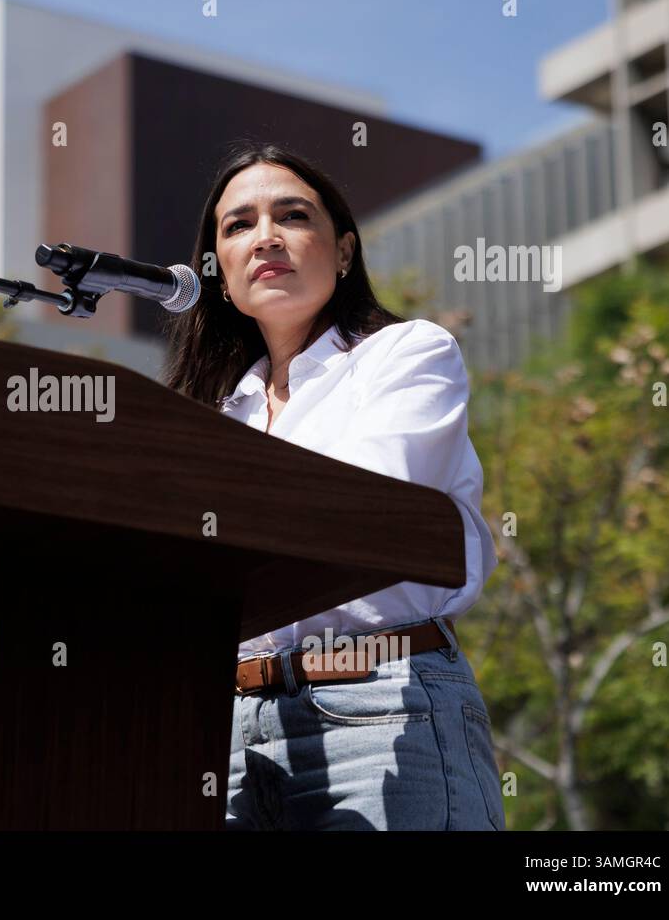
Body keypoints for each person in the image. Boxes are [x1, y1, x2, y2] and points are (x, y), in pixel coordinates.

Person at [162, 142, 505, 830]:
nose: (266, 238)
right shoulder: (207, 414)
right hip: (226, 733)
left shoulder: (406, 354)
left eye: (292, 216)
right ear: (219, 276)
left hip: (382, 700)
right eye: (238, 226)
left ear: (344, 252)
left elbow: (360, 504)